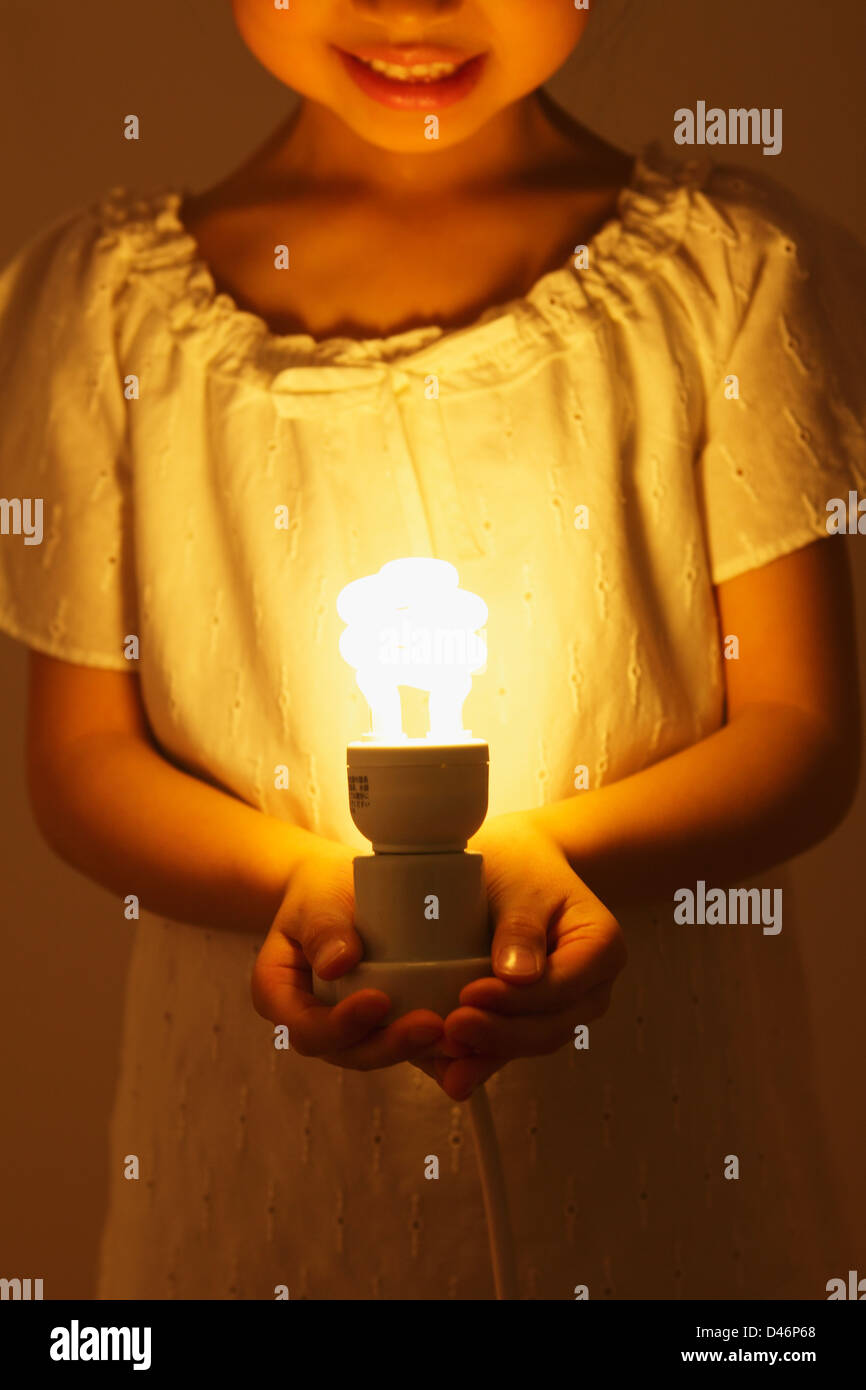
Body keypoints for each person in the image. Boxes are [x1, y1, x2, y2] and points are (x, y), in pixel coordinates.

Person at [0, 0, 863, 1299]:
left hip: (647, 1146)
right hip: (253, 1168)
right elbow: (81, 761)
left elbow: (798, 728)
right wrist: (298, 880)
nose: (412, 6)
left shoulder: (727, 273)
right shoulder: (105, 311)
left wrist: (552, 852)